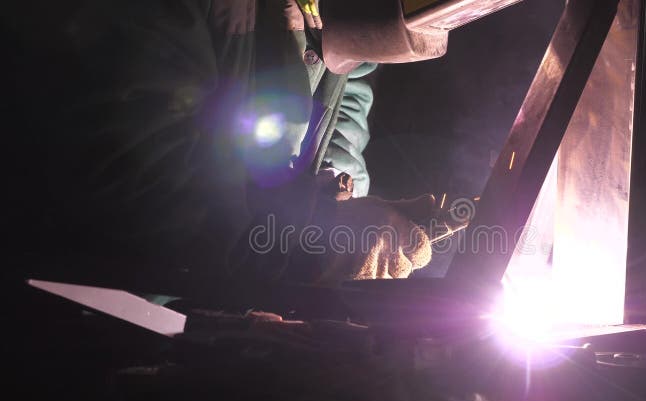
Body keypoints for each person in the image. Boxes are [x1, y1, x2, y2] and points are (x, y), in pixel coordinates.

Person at [8, 0, 438, 288]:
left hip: (191, 297)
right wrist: (304, 237)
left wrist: (340, 194)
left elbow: (350, 76)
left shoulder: (320, 11)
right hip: (82, 299)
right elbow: (134, 189)